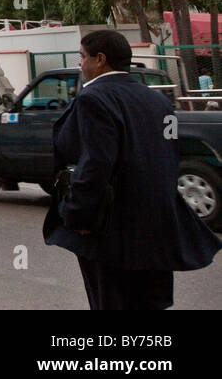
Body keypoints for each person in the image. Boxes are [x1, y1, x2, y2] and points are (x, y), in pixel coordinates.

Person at [43, 29, 220, 309]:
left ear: (100, 59)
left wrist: (79, 216)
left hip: (111, 231)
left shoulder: (94, 99)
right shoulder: (157, 100)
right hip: (156, 227)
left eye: (83, 57)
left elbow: (96, 164)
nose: (81, 64)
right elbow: (167, 157)